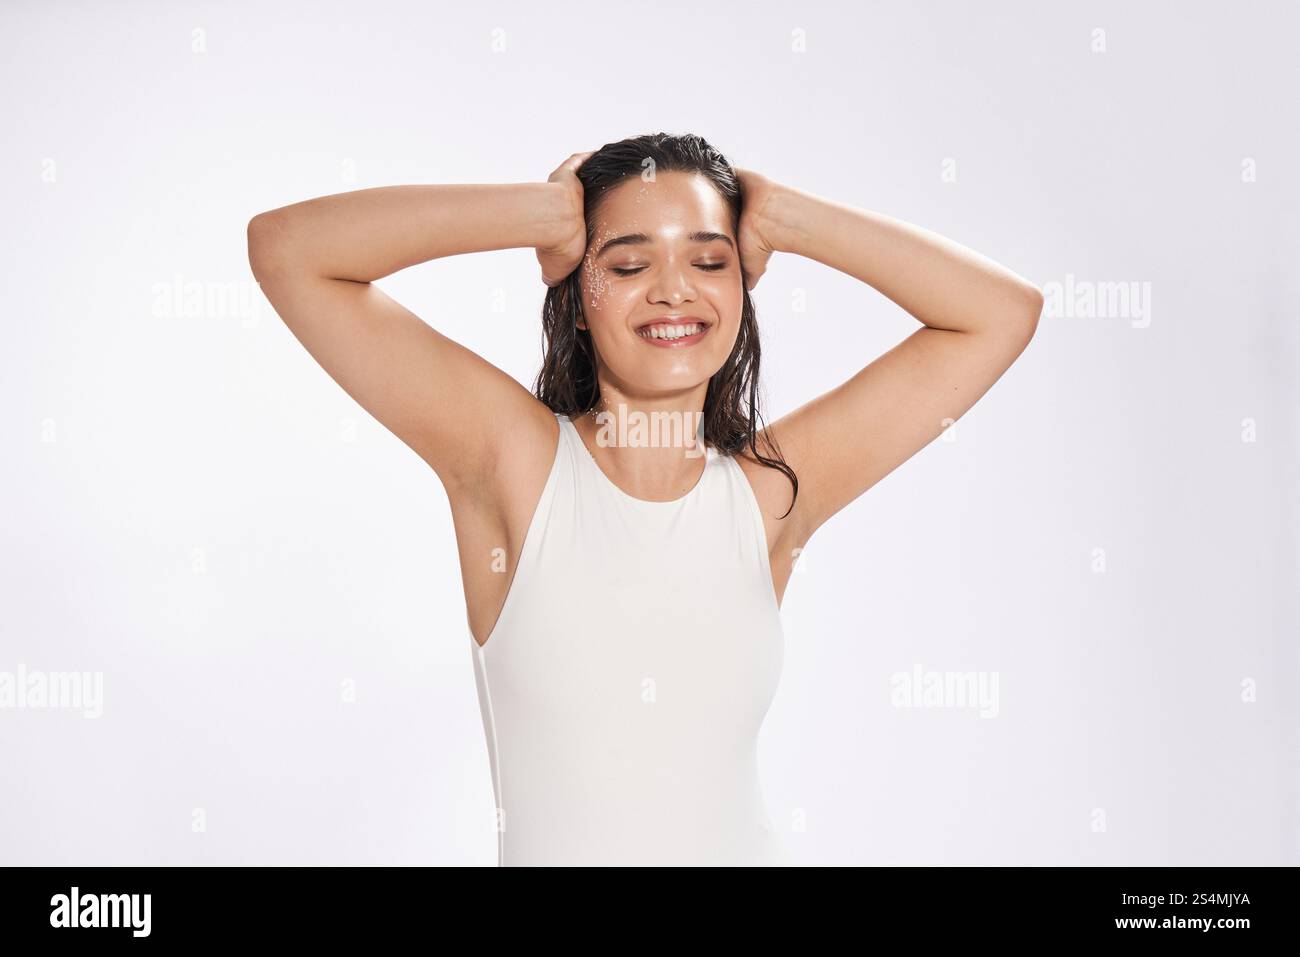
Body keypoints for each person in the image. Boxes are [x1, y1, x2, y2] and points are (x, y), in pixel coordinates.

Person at [246, 132, 1044, 866]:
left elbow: (1001, 315)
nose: (672, 292)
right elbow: (289, 252)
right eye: (628, 265)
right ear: (579, 298)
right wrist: (537, 213)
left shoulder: (767, 495)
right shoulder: (514, 462)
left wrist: (788, 218)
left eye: (708, 261)